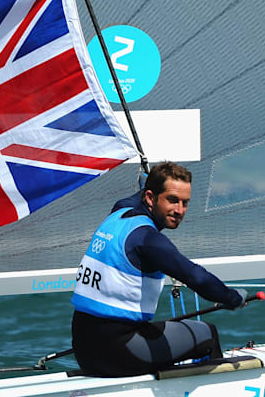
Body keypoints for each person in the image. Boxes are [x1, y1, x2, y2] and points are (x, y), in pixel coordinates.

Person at [70, 161, 245, 377]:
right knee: (207, 334)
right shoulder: (149, 240)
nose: (179, 210)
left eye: (185, 202)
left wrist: (151, 179)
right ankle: (212, 394)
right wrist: (231, 298)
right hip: (119, 352)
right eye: (172, 200)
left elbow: (139, 195)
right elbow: (196, 277)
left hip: (83, 349)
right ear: (151, 198)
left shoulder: (119, 211)